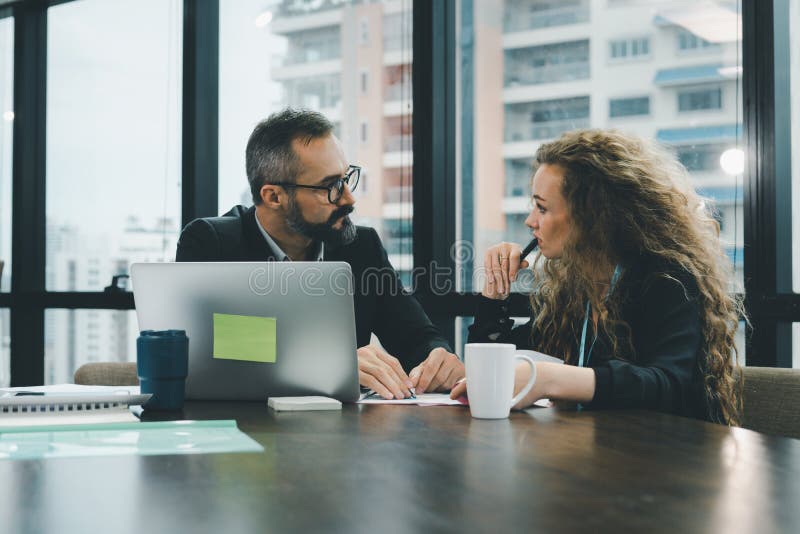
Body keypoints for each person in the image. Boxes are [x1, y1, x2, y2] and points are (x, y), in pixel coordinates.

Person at [451, 129, 743, 425]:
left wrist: (549, 378)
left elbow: (668, 385)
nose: (530, 221)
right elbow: (494, 368)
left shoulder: (668, 277)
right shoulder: (576, 288)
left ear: (593, 217)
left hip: (671, 457)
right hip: (602, 455)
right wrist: (494, 291)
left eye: (542, 208)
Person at [177, 108, 464, 399]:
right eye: (330, 186)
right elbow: (208, 344)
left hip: (342, 433)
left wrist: (437, 358)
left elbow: (415, 335)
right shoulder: (211, 243)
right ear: (274, 196)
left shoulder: (361, 247)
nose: (349, 199)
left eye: (346, 178)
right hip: (243, 425)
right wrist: (329, 363)